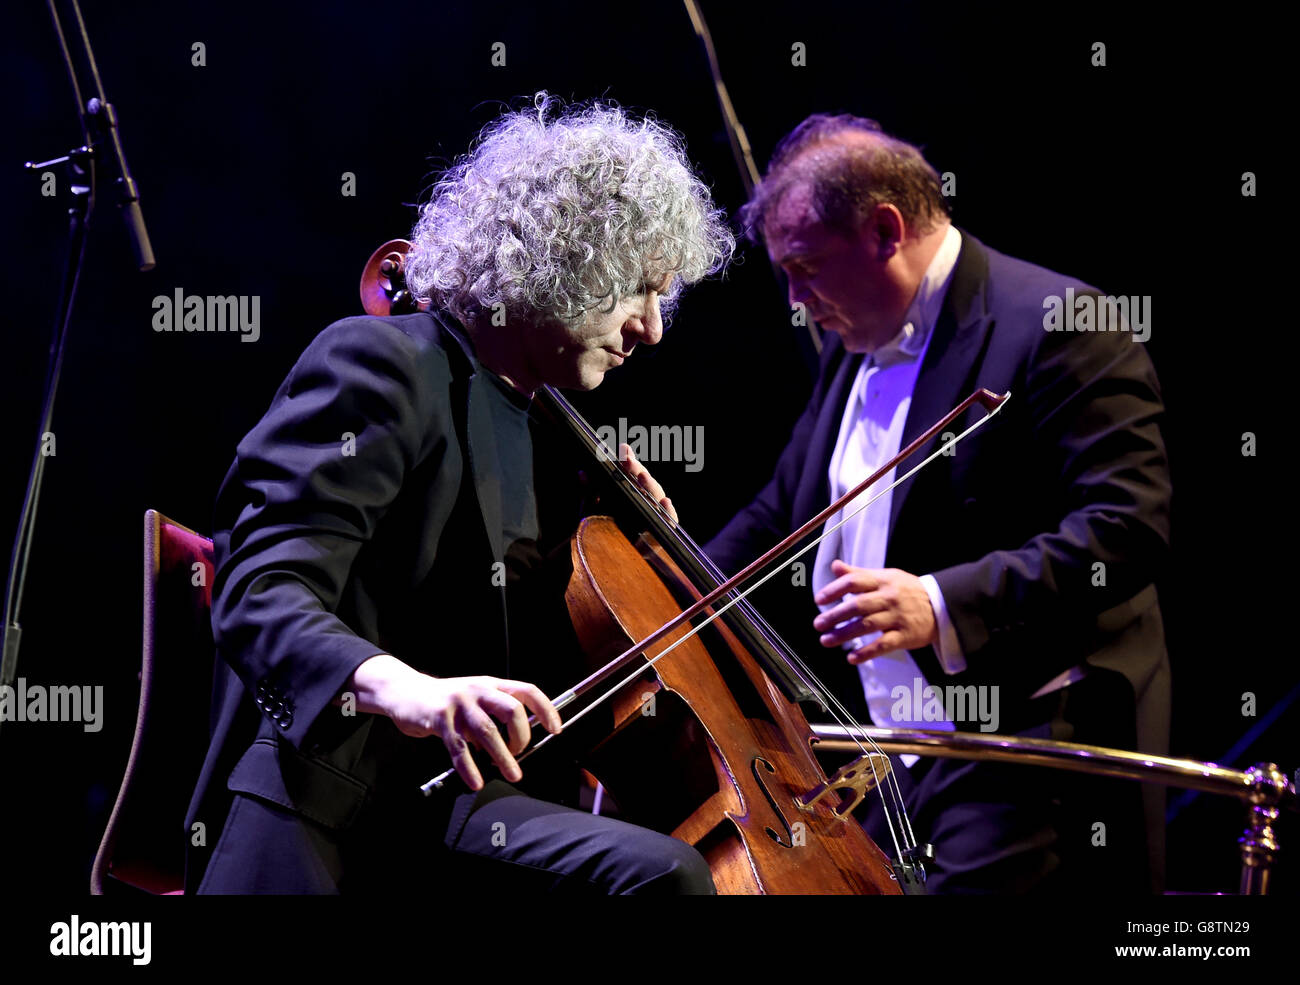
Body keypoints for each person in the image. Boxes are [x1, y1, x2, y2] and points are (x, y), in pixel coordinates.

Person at [183, 94, 734, 894]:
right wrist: (410, 689)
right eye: (639, 290)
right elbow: (260, 591)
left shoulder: (555, 443)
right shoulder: (382, 366)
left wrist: (642, 565)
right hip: (332, 797)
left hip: (459, 807)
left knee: (671, 872)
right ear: (565, 258)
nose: (652, 328)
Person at [703, 114, 1172, 894]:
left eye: (807, 267)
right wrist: (664, 576)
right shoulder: (853, 344)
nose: (796, 298)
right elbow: (781, 511)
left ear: (886, 229)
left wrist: (939, 601)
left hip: (1022, 739)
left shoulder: (1062, 325)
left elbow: (1127, 527)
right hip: (895, 750)